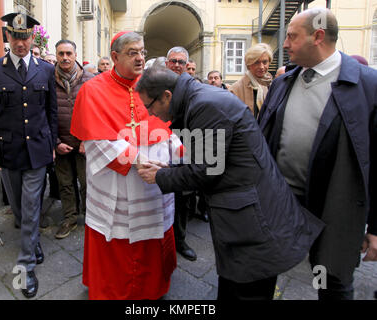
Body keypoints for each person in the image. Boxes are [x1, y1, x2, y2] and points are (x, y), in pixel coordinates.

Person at [136, 66, 325, 300]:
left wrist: (160, 176)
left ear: (167, 96)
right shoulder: (200, 99)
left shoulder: (205, 105)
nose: (150, 113)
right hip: (246, 213)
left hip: (253, 221)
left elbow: (206, 170)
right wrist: (170, 170)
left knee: (246, 289)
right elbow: (208, 160)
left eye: (149, 105)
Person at [258, 8, 377, 300]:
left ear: (318, 36)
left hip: (335, 211)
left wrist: (375, 226)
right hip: (282, 204)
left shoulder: (368, 86)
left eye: (292, 36)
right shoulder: (283, 83)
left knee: (331, 281)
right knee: (262, 271)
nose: (284, 44)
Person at [70, 31, 183, 300]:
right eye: (133, 52)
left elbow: (166, 127)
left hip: (151, 183)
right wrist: (138, 159)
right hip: (118, 184)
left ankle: (151, 288)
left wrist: (178, 150)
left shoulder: (151, 86)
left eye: (142, 52)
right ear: (115, 57)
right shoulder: (92, 90)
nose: (140, 58)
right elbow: (97, 143)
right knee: (116, 242)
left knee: (151, 238)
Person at [0, 13, 58, 298]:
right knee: (20, 209)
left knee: (31, 204)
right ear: (8, 37)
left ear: (32, 38)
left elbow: (51, 112)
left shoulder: (46, 70)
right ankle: (33, 241)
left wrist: (52, 142)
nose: (21, 43)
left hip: (37, 149)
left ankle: (24, 268)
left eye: (26, 37)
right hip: (8, 150)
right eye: (16, 37)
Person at [54, 40, 94, 239]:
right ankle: (69, 217)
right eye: (61, 53)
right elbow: (44, 113)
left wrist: (88, 139)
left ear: (76, 55)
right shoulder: (48, 79)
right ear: (56, 55)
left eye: (68, 53)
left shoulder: (89, 79)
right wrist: (55, 142)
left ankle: (90, 217)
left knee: (87, 182)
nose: (65, 58)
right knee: (65, 184)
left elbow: (96, 112)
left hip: (84, 143)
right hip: (60, 141)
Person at [165, 46, 198, 261]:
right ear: (167, 63)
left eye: (181, 62)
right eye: (173, 61)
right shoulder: (157, 84)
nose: (177, 65)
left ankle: (181, 239)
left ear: (186, 66)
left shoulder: (193, 88)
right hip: (159, 147)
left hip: (184, 150)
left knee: (183, 199)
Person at [229, 43, 273, 118]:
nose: (261, 67)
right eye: (256, 62)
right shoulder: (235, 89)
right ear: (249, 64)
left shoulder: (269, 85)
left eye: (265, 62)